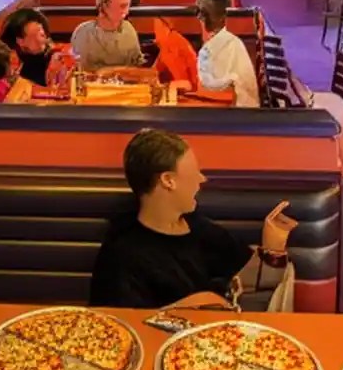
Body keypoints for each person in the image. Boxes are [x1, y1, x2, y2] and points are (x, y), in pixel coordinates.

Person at [89, 129, 298, 309]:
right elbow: (118, 323)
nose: (201, 179)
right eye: (194, 171)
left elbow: (247, 277)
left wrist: (274, 245)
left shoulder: (196, 226)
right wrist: (199, 302)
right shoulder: (121, 252)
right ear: (168, 181)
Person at [195, 0, 259, 108]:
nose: (200, 18)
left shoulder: (228, 45)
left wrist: (232, 79)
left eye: (204, 14)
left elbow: (208, 84)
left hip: (235, 113)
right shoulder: (227, 42)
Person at [69, 0, 143, 71]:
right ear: (103, 4)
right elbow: (77, 73)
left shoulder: (129, 30)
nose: (127, 11)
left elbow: (138, 69)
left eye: (128, 5)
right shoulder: (83, 34)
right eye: (122, 6)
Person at [0, 7, 65, 86]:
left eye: (42, 30)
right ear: (21, 41)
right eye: (38, 31)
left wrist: (56, 55)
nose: (43, 35)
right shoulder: (9, 65)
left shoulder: (50, 55)